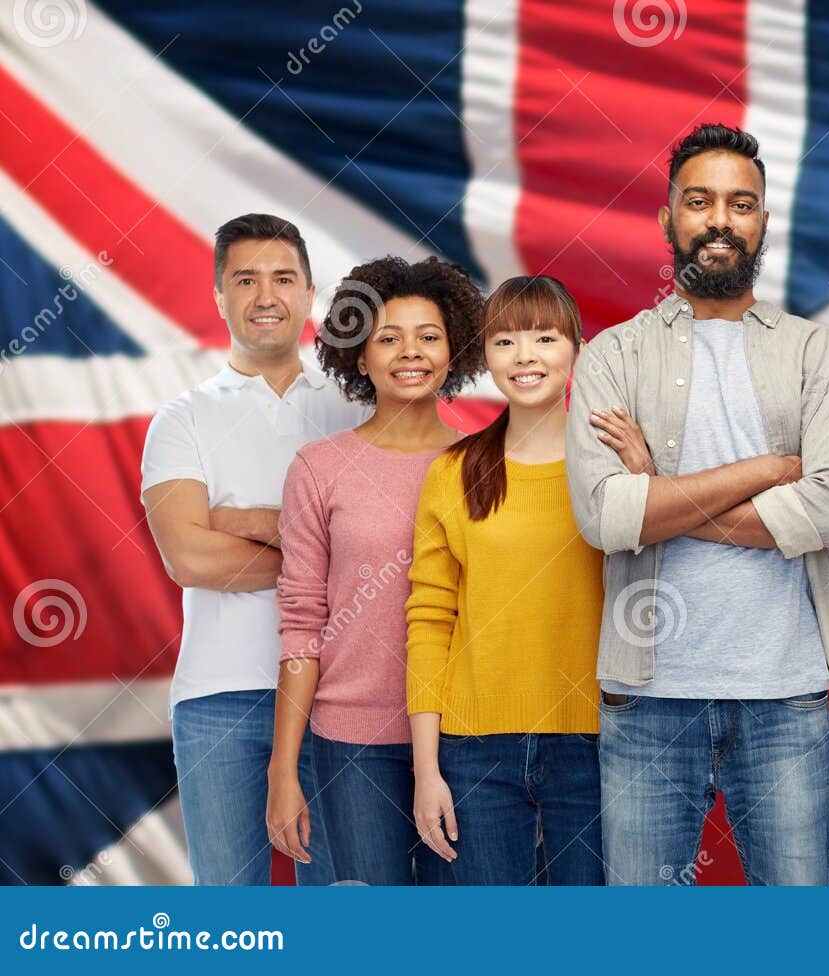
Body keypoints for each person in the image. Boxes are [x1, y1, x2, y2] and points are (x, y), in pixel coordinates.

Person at [565, 123, 829, 886]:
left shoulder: (818, 353)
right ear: (669, 219)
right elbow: (606, 518)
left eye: (741, 203)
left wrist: (660, 495)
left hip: (786, 696)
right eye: (699, 202)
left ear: (763, 222)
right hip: (648, 698)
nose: (720, 220)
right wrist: (768, 470)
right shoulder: (612, 356)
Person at [141, 214, 366, 885]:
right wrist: (321, 557)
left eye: (282, 278)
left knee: (342, 907)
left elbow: (384, 551)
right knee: (230, 918)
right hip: (219, 695)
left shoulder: (354, 408)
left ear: (308, 293)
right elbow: (189, 558)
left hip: (342, 691)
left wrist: (237, 518)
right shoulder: (181, 420)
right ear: (218, 295)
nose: (265, 294)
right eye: (246, 279)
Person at [266, 256, 481, 885]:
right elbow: (302, 621)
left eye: (429, 336)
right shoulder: (319, 468)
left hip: (467, 736)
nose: (409, 352)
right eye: (388, 338)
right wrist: (285, 769)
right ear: (360, 358)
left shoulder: (483, 463)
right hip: (352, 740)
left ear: (453, 352)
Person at [406, 276, 607, 885]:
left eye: (545, 337)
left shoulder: (615, 464)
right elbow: (429, 618)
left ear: (576, 347)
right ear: (485, 355)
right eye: (506, 340)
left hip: (599, 741)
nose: (526, 356)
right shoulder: (452, 473)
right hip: (474, 748)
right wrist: (425, 769)